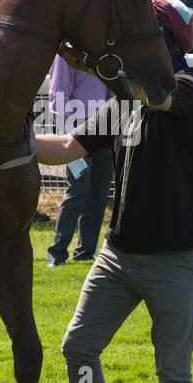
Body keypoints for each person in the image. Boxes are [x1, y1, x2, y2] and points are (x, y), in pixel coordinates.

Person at [32, 0, 193, 383]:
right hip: (117, 256)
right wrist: (8, 137)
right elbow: (66, 148)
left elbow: (157, 96)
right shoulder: (124, 103)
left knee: (172, 371)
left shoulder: (188, 91)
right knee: (78, 348)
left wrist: (93, 59)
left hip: (175, 259)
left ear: (164, 41)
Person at [45, 53, 113, 268]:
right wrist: (67, 135)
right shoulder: (66, 54)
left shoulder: (106, 48)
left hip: (106, 125)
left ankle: (85, 252)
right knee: (78, 190)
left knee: (99, 192)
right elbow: (58, 93)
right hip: (78, 128)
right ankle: (57, 252)